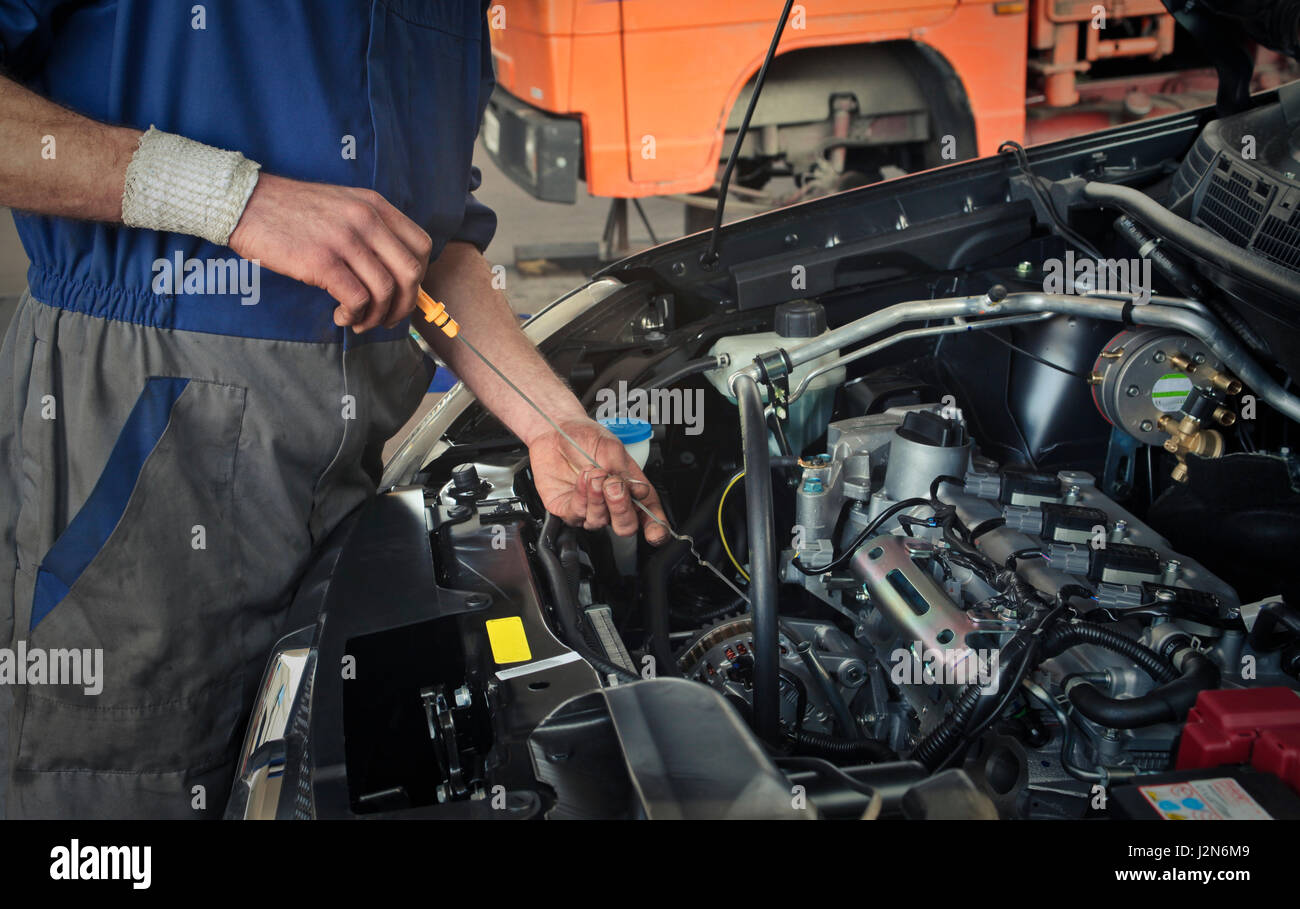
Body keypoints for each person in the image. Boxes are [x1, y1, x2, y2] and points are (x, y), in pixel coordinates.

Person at [0, 0, 666, 819]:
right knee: (124, 797)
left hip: (350, 479)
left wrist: (548, 420)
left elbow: (431, 252)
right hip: (145, 442)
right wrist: (232, 199)